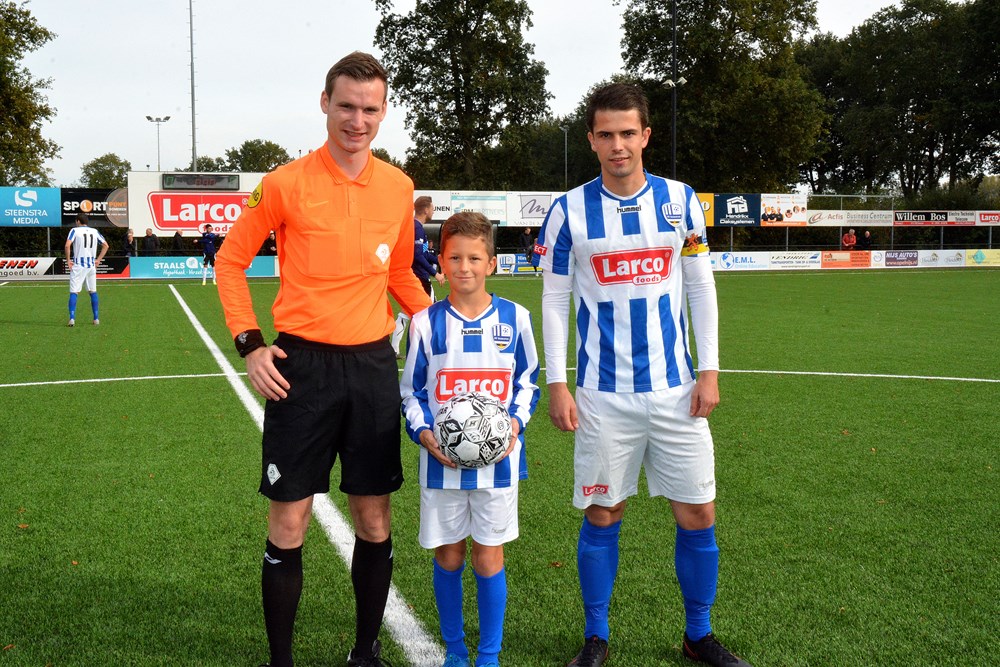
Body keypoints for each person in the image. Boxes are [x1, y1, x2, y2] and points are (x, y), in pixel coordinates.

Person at [214, 51, 432, 667]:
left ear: (383, 113)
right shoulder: (284, 182)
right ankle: (280, 661)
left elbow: (398, 273)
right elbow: (230, 262)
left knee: (374, 516)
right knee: (289, 523)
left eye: (369, 109)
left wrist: (444, 327)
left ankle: (365, 654)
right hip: (300, 370)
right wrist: (251, 344)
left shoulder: (399, 186)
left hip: (370, 369)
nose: (356, 120)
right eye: (346, 106)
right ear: (324, 104)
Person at [532, 83, 751, 667]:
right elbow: (554, 302)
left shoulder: (680, 201)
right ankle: (597, 637)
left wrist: (710, 371)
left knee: (698, 512)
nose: (618, 145)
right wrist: (558, 382)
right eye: (606, 134)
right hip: (603, 395)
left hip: (679, 391)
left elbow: (701, 288)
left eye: (628, 132)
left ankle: (697, 635)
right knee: (604, 514)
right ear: (592, 140)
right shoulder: (568, 212)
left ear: (646, 135)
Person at [400, 211, 540, 667]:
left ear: (492, 263)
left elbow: (528, 383)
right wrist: (423, 433)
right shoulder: (424, 324)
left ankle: (489, 654)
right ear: (440, 262)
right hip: (440, 463)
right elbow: (412, 391)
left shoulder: (516, 319)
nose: (464, 267)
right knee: (448, 553)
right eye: (455, 257)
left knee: (488, 554)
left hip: (499, 464)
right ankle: (456, 651)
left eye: (474, 257)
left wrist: (515, 424)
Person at [390, 195, 445, 358]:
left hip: (418, 276)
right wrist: (435, 273)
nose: (433, 212)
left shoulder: (416, 227)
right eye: (433, 209)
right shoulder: (416, 227)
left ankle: (395, 348)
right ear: (426, 209)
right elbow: (417, 256)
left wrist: (443, 260)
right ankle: (431, 348)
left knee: (411, 313)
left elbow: (424, 253)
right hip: (417, 277)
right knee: (429, 312)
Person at [64, 211, 109, 327]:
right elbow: (106, 245)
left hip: (78, 265)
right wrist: (98, 259)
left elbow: (67, 245)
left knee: (74, 291)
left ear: (78, 221)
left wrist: (68, 260)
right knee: (92, 291)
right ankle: (96, 318)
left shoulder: (74, 230)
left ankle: (72, 318)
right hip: (91, 266)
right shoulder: (95, 231)